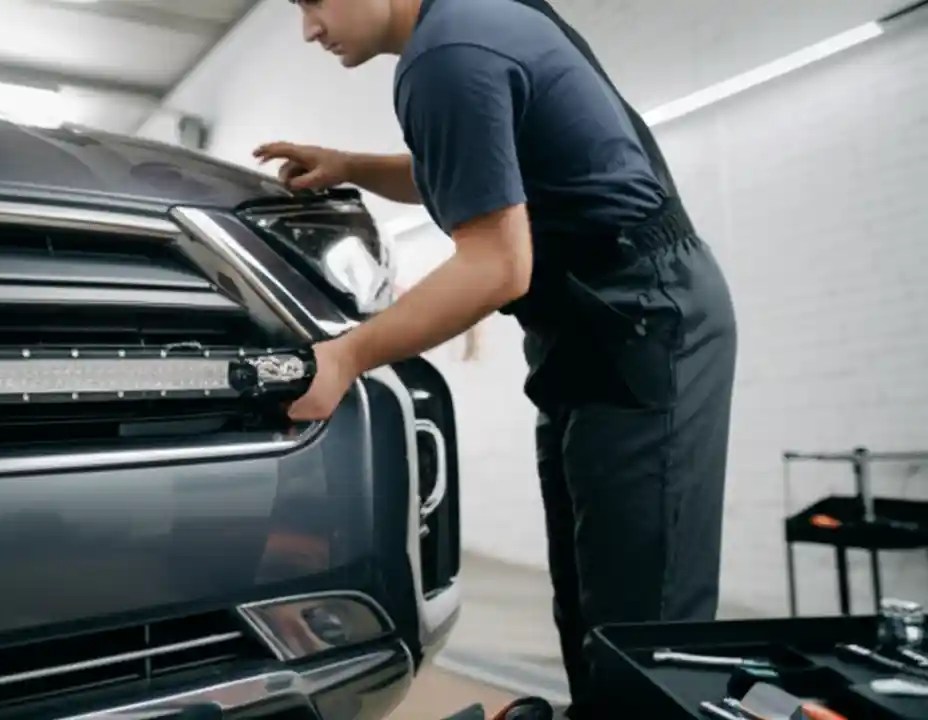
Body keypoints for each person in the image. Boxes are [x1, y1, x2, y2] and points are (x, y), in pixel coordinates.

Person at [255, 1, 738, 718]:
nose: (309, 28)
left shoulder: (447, 54)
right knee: (591, 598)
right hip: (597, 321)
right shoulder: (473, 24)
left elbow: (496, 267)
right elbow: (478, 169)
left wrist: (348, 354)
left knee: (644, 622)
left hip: (641, 315)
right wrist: (351, 167)